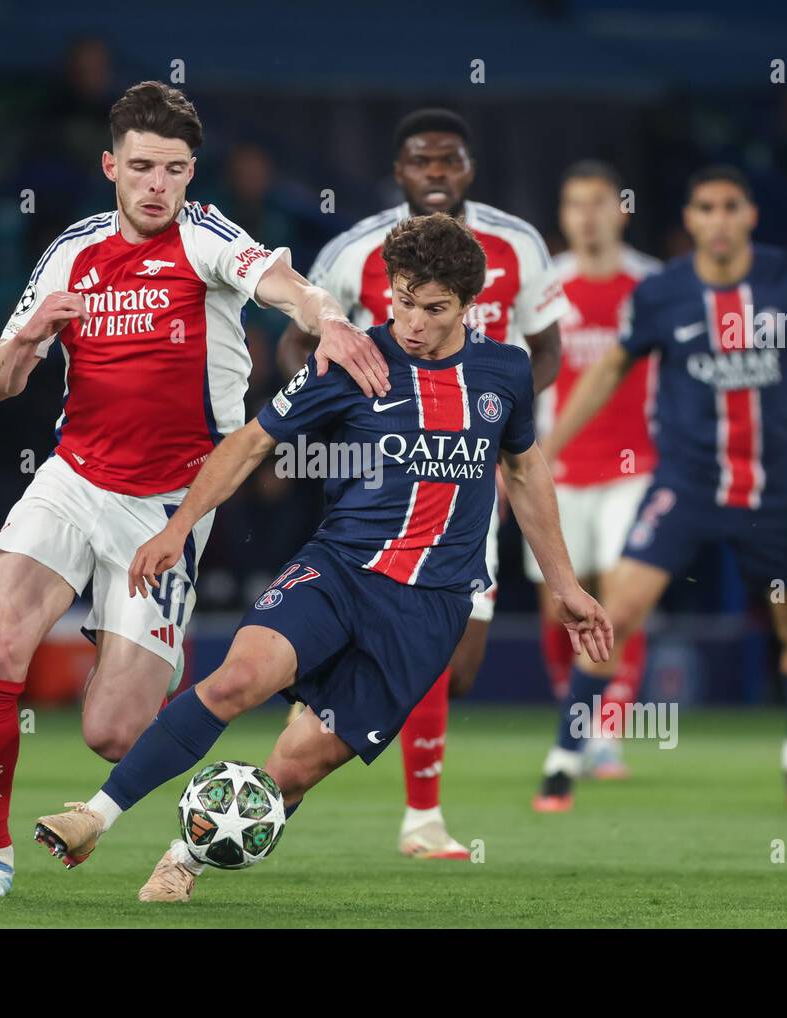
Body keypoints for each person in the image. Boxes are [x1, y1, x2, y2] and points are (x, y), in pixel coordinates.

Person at [33, 213, 610, 902]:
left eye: (435, 309)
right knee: (235, 680)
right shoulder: (352, 360)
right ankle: (94, 814)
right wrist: (177, 527)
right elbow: (250, 443)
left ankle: (183, 861)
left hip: (429, 607)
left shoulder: (505, 372)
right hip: (337, 572)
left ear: (468, 306)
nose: (414, 322)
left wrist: (566, 584)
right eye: (403, 300)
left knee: (297, 766)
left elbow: (524, 472)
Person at [0, 80, 390, 897]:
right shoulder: (72, 251)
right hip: (72, 479)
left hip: (170, 507)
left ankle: (177, 708)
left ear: (192, 173)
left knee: (111, 733)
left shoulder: (207, 239)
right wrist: (33, 336)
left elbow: (287, 286)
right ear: (111, 165)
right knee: (1, 647)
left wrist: (326, 317)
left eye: (176, 169)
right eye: (144, 167)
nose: (159, 185)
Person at [537, 166, 787, 812]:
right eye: (705, 208)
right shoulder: (663, 294)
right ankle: (563, 761)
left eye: (730, 206)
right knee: (616, 608)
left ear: (749, 214)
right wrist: (544, 453)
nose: (718, 219)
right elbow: (607, 372)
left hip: (773, 495)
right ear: (690, 220)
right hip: (685, 486)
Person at [277, 108, 569, 858]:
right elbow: (294, 342)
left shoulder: (519, 244)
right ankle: (419, 819)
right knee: (419, 641)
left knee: (458, 665)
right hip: (381, 479)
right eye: (420, 161)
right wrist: (343, 419)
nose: (436, 173)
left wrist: (498, 434)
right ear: (398, 171)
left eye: (450, 161)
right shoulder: (353, 250)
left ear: (469, 170)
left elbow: (546, 347)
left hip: (469, 473)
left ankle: (301, 744)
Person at [530, 160, 660, 797]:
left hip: (638, 468)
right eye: (574, 204)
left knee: (619, 600)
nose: (586, 216)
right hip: (556, 470)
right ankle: (574, 716)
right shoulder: (546, 286)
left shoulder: (653, 284)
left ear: (622, 210)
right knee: (558, 605)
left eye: (598, 203)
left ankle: (605, 732)